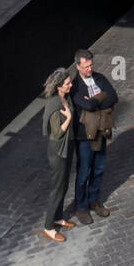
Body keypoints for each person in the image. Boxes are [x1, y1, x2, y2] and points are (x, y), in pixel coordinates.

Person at [70, 48, 118, 224]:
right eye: (86, 67)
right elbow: (86, 106)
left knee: (98, 168)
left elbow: (113, 96)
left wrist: (95, 101)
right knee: (83, 172)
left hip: (101, 130)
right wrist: (101, 99)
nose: (89, 69)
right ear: (78, 66)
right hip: (84, 136)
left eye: (91, 65)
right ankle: (81, 207)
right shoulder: (74, 86)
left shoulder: (99, 78)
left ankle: (94, 201)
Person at [41, 68, 77, 242]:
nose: (71, 85)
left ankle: (58, 217)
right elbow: (57, 133)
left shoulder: (65, 97)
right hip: (57, 150)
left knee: (64, 184)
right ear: (59, 86)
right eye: (67, 83)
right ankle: (48, 227)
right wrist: (69, 118)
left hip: (67, 147)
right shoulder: (54, 104)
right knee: (57, 187)